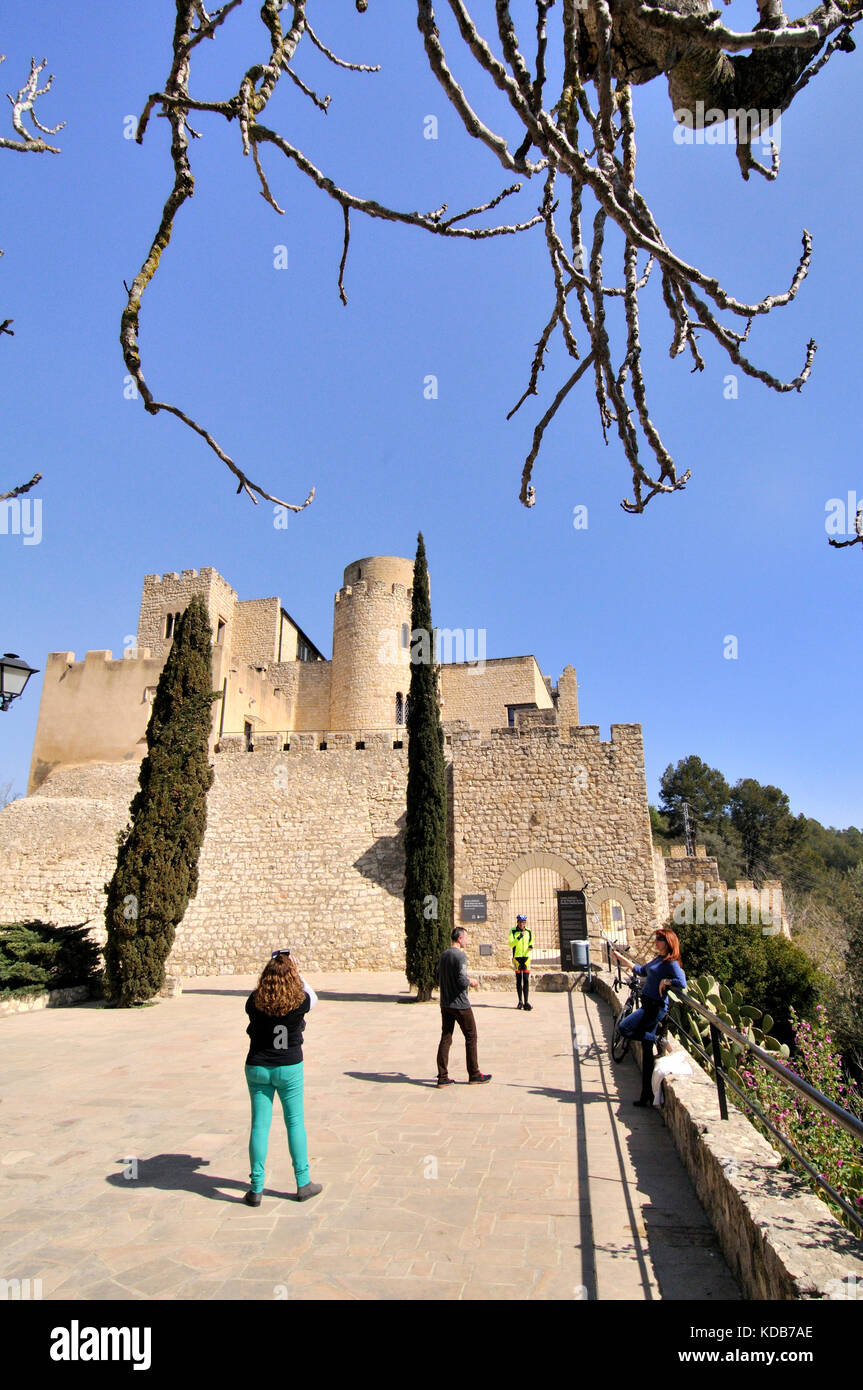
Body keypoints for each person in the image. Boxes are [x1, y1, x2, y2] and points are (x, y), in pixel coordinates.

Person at [243, 949, 322, 1205]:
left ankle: (256, 1188)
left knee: (259, 1126)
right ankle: (303, 1182)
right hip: (288, 1067)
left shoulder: (254, 1001)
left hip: (258, 1066)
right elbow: (313, 996)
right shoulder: (299, 1001)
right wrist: (297, 973)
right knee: (295, 1123)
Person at [612, 928, 686, 1107]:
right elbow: (641, 970)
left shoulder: (671, 963)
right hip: (647, 1005)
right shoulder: (658, 959)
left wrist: (666, 982)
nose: (656, 942)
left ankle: (657, 1038)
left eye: (660, 939)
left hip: (654, 1008)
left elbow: (682, 983)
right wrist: (620, 958)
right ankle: (646, 1095)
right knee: (646, 1054)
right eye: (657, 938)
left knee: (624, 1028)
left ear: (668, 942)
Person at [436, 927, 492, 1087]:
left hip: (445, 1003)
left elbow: (440, 975)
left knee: (446, 1037)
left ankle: (442, 1077)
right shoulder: (460, 955)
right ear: (459, 939)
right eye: (466, 938)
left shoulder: (444, 954)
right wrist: (471, 982)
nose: (467, 940)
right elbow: (461, 979)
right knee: (471, 1036)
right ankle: (474, 1074)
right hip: (460, 1003)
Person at [508, 913, 534, 1010]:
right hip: (517, 958)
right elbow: (511, 944)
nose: (522, 924)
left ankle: (526, 1001)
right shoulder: (513, 931)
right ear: (517, 922)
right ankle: (520, 1001)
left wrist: (531, 945)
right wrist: (519, 937)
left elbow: (531, 941)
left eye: (524, 922)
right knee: (519, 980)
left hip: (526, 957)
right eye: (520, 922)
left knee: (526, 980)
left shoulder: (528, 931)